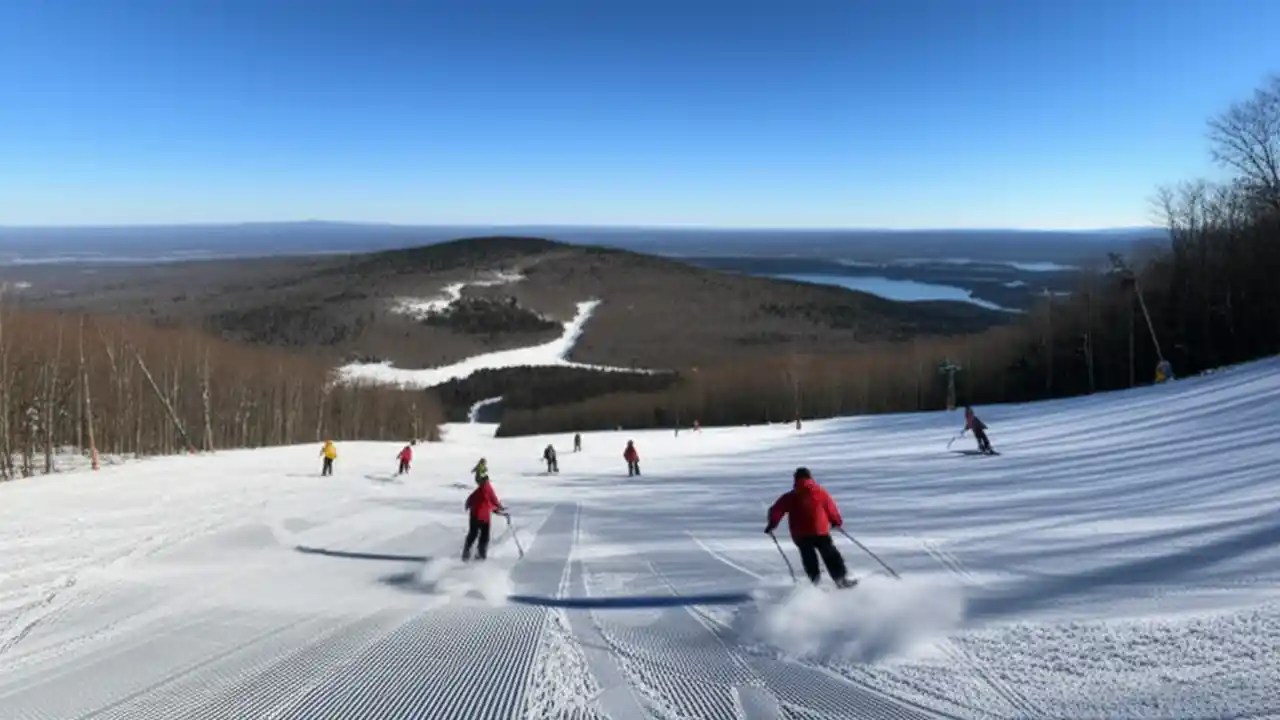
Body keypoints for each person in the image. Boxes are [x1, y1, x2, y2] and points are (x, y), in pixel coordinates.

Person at [765, 467, 854, 588]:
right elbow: (830, 508)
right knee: (830, 555)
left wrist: (771, 525)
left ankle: (815, 584)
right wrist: (836, 522)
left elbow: (776, 510)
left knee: (809, 558)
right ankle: (841, 580)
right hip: (820, 531)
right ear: (810, 477)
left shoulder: (790, 496)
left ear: (795, 479)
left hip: (800, 534)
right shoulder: (821, 492)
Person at [463, 473, 505, 561]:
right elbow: (492, 501)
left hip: (477, 516)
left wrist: (498, 508)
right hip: (481, 516)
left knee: (474, 535)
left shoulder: (483, 489)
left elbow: (490, 501)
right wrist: (497, 508)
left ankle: (468, 554)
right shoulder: (485, 488)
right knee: (482, 536)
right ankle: (479, 555)